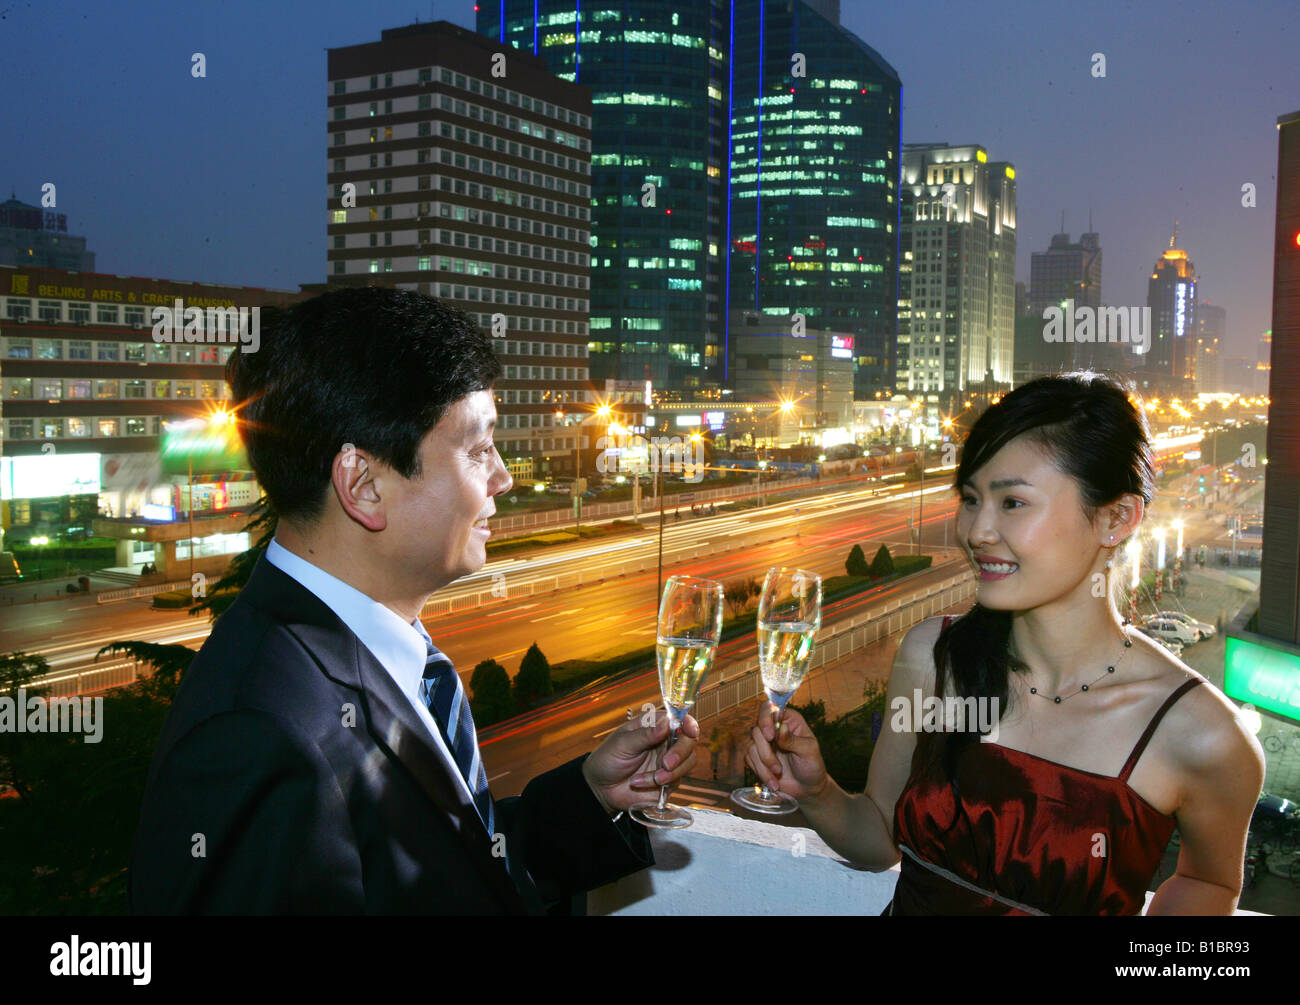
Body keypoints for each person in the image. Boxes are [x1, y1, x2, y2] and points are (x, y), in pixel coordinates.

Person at [130, 287, 697, 914]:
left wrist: (591, 796)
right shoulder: (258, 737)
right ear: (364, 485)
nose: (503, 477)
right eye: (479, 449)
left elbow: (446, 872)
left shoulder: (368, 650)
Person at [745, 371, 1264, 915]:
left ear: (1116, 517)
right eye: (971, 499)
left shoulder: (1205, 736)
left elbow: (1209, 883)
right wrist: (816, 790)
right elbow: (879, 839)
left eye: (1012, 502)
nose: (976, 531)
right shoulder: (933, 659)